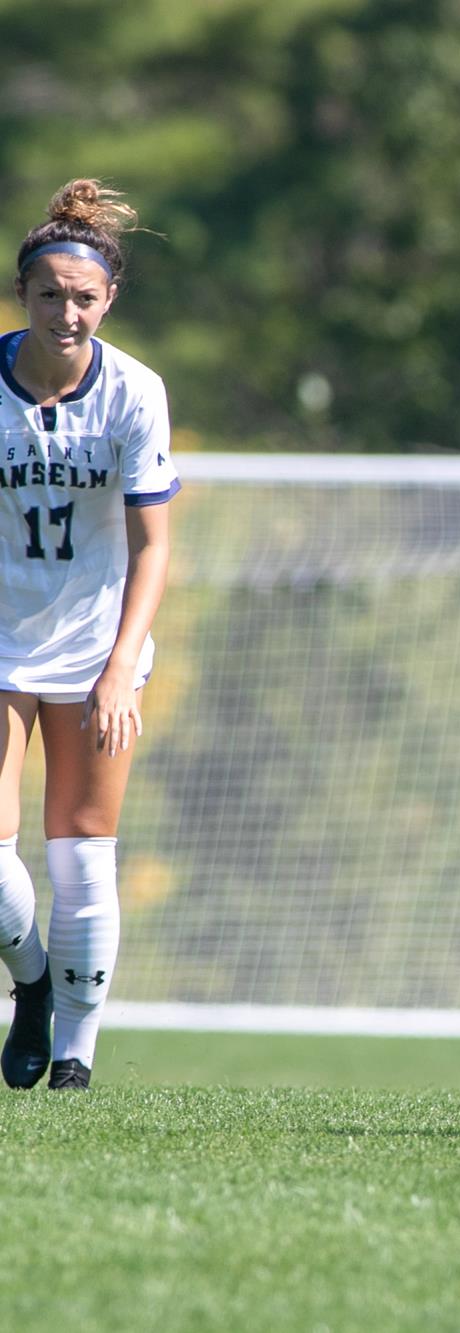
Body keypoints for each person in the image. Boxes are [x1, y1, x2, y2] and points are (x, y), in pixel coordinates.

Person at [1, 180, 178, 1092]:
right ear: (22, 294)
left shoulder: (135, 392)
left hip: (95, 647)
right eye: (48, 294)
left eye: (83, 297)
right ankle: (31, 980)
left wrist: (118, 670)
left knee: (81, 853)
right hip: (3, 641)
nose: (64, 313)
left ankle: (76, 1056)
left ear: (108, 301)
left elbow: (154, 546)